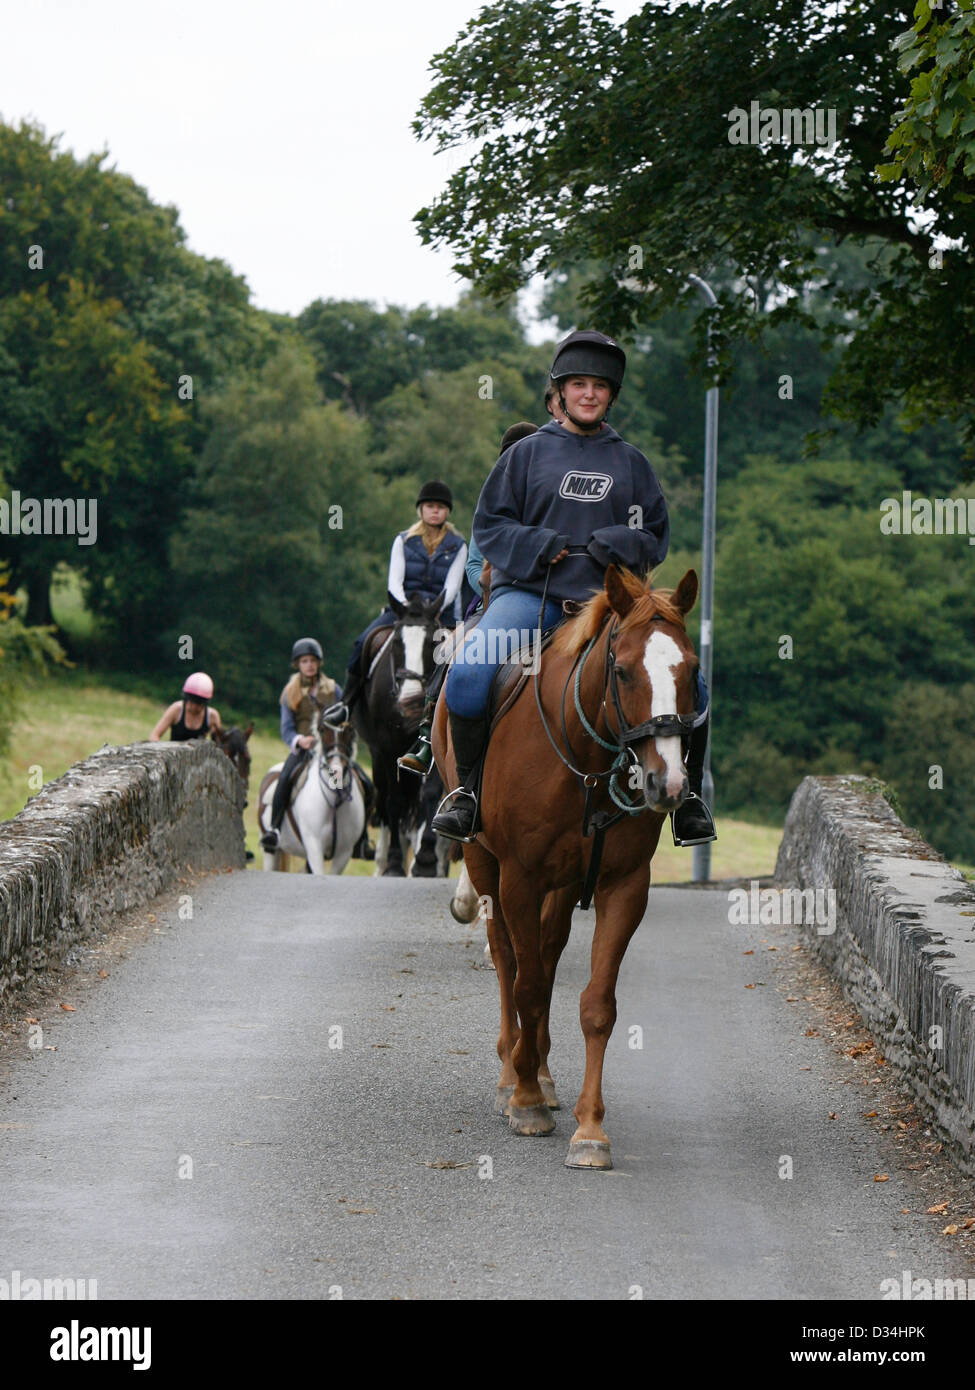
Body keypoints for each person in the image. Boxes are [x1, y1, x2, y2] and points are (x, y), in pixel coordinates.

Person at [431, 329, 716, 848]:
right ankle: (466, 795)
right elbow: (491, 526)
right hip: (529, 599)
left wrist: (617, 542)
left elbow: (655, 535)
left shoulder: (631, 462)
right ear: (560, 392)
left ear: (611, 395)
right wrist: (536, 543)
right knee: (469, 673)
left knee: (692, 685)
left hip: (612, 608)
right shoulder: (524, 456)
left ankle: (688, 797)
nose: (589, 393)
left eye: (600, 386)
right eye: (579, 384)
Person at [398, 423, 538, 778]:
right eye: (513, 454)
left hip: (550, 599)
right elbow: (475, 563)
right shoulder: (493, 501)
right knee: (449, 649)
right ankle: (428, 741)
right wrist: (491, 586)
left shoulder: (549, 497)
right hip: (496, 599)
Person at [334, 481, 467, 720]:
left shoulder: (458, 546)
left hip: (440, 613)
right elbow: (394, 581)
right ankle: (346, 704)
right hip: (402, 609)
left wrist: (433, 609)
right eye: (429, 506)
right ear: (421, 509)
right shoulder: (403, 541)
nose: (435, 510)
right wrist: (404, 606)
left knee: (465, 656)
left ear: (447, 511)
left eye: (440, 506)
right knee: (363, 642)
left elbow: (452, 587)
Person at [260, 638, 373, 856]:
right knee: (284, 778)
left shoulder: (334, 690)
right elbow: (286, 728)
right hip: (304, 751)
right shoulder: (289, 692)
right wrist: (299, 740)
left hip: (333, 750)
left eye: (312, 660)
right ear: (297, 665)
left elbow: (346, 717)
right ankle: (274, 829)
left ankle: (362, 839)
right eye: (304, 661)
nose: (309, 665)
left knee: (365, 783)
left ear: (319, 663)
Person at [150, 673, 222, 741]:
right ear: (186, 698)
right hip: (174, 753)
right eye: (192, 701)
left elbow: (219, 744)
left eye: (199, 703)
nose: (194, 707)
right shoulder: (176, 709)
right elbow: (154, 735)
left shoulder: (212, 716)